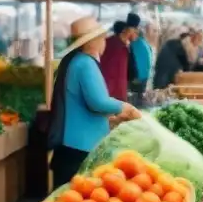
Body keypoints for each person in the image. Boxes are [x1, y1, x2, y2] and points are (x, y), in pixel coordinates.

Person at [47, 17, 140, 186]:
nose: (104, 43)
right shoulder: (85, 64)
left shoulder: (76, 61)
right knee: (74, 200)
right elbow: (98, 102)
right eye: (102, 39)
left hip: (73, 144)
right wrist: (124, 107)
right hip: (81, 145)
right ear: (92, 42)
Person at [100, 13, 139, 100]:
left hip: (108, 92)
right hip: (111, 94)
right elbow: (117, 75)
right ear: (125, 30)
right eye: (134, 30)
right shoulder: (119, 47)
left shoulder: (112, 43)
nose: (136, 33)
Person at [129, 28, 154, 107]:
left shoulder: (134, 44)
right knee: (139, 97)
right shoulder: (146, 44)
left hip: (137, 76)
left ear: (136, 34)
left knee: (134, 99)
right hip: (145, 76)